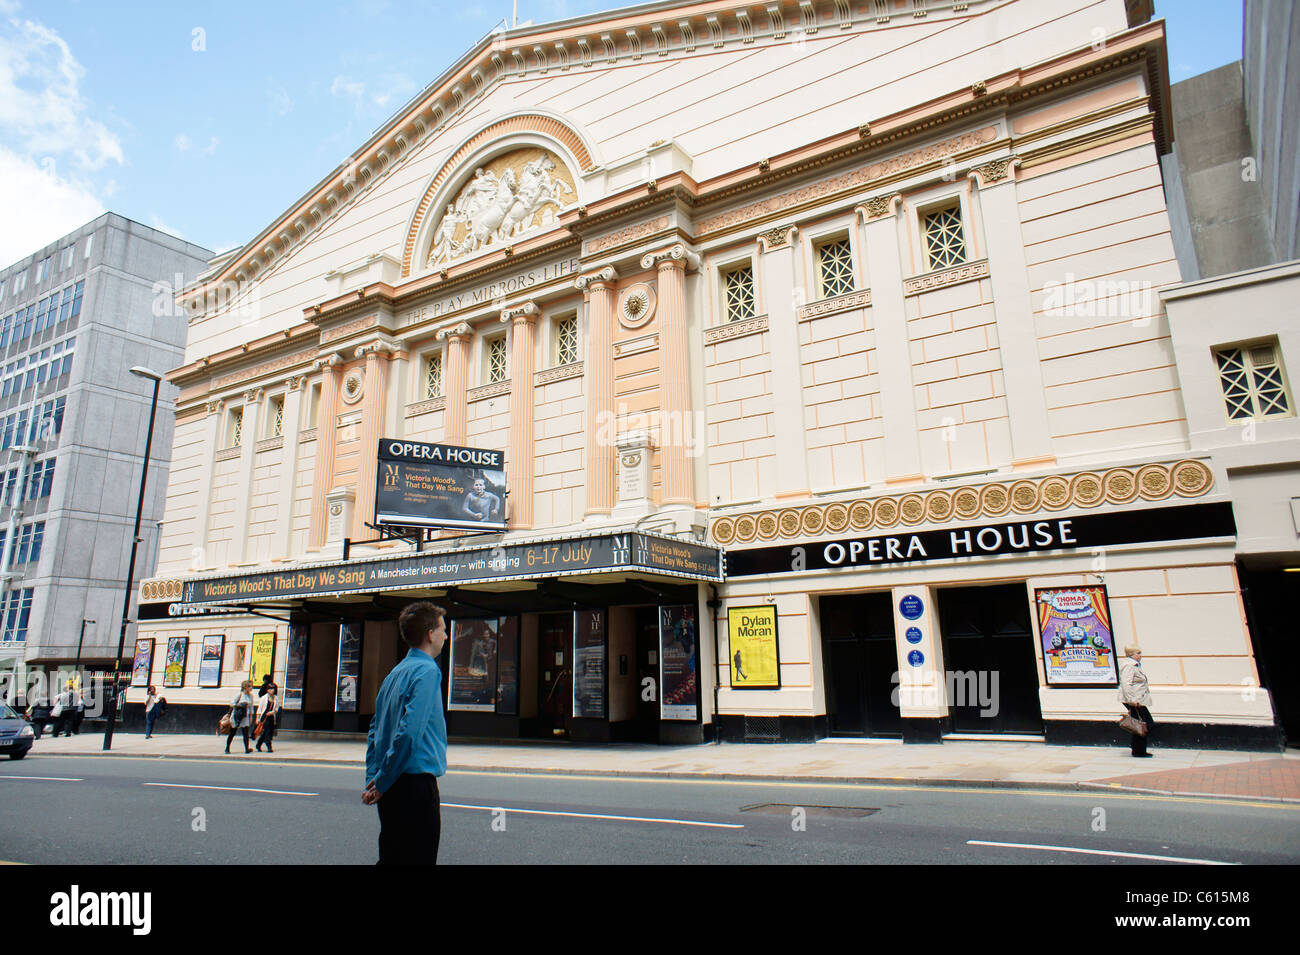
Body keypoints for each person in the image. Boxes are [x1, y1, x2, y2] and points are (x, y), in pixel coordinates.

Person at [363, 601, 449, 865]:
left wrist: (375, 780)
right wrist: (381, 781)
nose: (446, 636)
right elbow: (409, 733)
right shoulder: (427, 671)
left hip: (390, 786)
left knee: (391, 858)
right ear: (430, 634)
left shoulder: (395, 672)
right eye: (443, 630)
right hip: (415, 786)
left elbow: (375, 729)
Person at [1119, 645, 1154, 758]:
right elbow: (1126, 683)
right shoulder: (1129, 665)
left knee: (1141, 723)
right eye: (1138, 653)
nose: (1140, 655)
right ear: (1131, 654)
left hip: (1138, 699)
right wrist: (1131, 700)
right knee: (1144, 723)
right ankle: (1138, 750)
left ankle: (1138, 749)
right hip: (1134, 700)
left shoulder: (1135, 665)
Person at [225, 680, 255, 754]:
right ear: (245, 687)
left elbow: (251, 707)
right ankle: (227, 748)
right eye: (250, 686)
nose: (251, 688)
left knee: (246, 733)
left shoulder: (251, 696)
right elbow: (232, 703)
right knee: (232, 732)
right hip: (237, 716)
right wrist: (239, 705)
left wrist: (251, 716)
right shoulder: (240, 694)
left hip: (245, 716)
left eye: (252, 686)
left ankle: (246, 749)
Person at [255, 684, 280, 753]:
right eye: (270, 689)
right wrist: (257, 718)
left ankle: (258, 744)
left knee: (267, 732)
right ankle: (269, 746)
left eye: (273, 689)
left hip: (271, 717)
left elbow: (277, 707)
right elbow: (260, 708)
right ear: (267, 690)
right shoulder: (264, 698)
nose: (272, 690)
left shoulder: (276, 698)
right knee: (267, 731)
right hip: (264, 717)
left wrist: (273, 712)